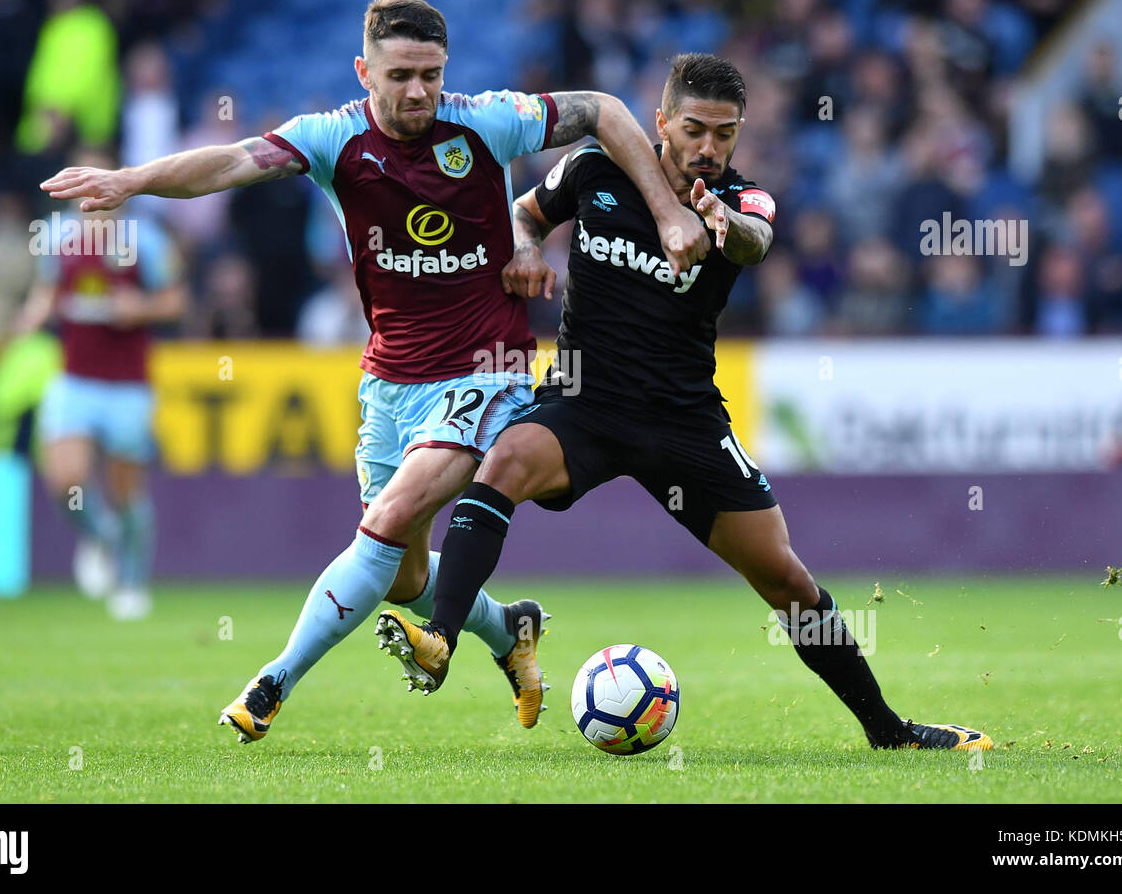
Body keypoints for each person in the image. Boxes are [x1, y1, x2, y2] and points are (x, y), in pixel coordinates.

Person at [40, 0, 709, 741]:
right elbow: (231, 163)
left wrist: (668, 212)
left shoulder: (487, 121)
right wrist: (132, 180)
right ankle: (510, 629)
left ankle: (270, 686)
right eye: (399, 75)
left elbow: (605, 110)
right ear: (365, 72)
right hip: (390, 383)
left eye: (430, 74)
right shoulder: (333, 139)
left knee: (382, 523)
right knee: (404, 577)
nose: (418, 91)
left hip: (486, 374)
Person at [378, 53, 992, 751]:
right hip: (586, 399)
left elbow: (759, 240)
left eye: (725, 134)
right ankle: (441, 639)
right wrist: (524, 249)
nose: (708, 148)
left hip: (684, 418)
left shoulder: (744, 200)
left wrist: (726, 223)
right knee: (505, 463)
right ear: (661, 121)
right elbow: (524, 214)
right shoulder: (592, 171)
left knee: (785, 578)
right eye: (695, 129)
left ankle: (889, 732)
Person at [16, 147, 186, 620]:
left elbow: (175, 301)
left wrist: (142, 308)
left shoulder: (146, 240)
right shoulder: (55, 236)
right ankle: (99, 537)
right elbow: (48, 291)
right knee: (63, 478)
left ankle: (132, 582)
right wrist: (31, 316)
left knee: (125, 488)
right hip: (75, 378)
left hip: (128, 384)